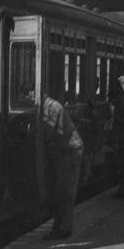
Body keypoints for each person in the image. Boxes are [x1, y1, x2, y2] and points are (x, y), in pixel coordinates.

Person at [40, 94, 84, 239]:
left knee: (64, 192)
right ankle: (59, 227)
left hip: (69, 151)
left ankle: (64, 229)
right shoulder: (50, 105)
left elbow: (48, 132)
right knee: (60, 191)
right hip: (64, 151)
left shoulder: (53, 107)